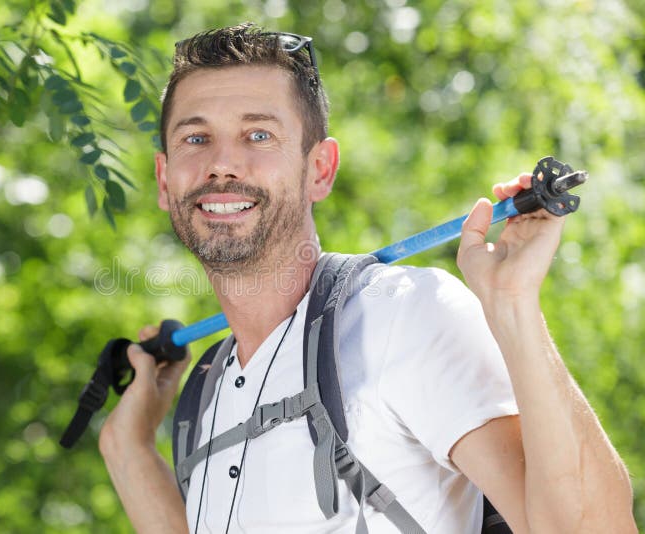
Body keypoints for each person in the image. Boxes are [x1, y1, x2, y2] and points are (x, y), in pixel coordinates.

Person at [97, 23, 635, 533]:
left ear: (320, 170)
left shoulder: (401, 316)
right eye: (196, 139)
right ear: (165, 179)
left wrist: (513, 303)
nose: (223, 164)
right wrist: (127, 447)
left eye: (258, 135)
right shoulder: (207, 394)